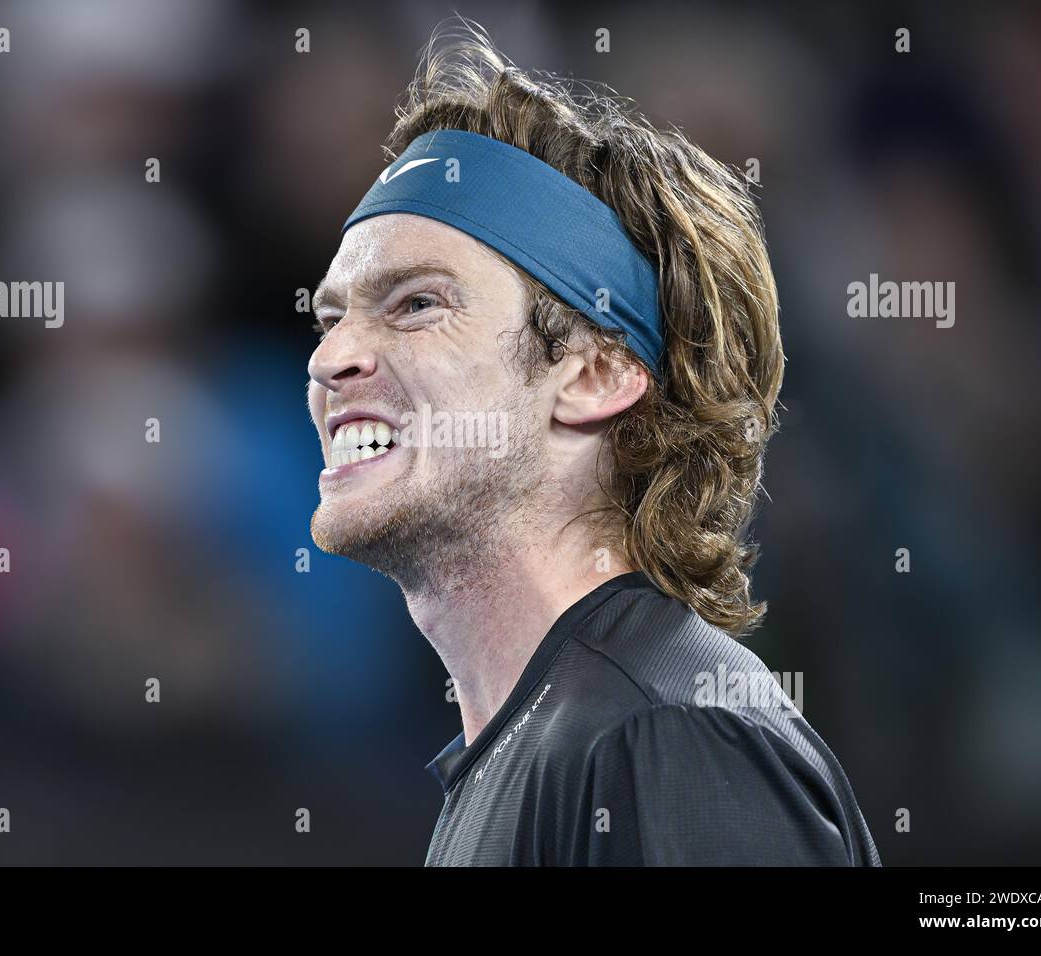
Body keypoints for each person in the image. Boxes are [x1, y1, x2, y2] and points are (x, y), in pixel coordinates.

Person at [306, 22, 880, 866]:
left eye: (417, 304)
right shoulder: (565, 740)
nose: (330, 358)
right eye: (328, 317)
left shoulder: (666, 735)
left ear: (594, 375)